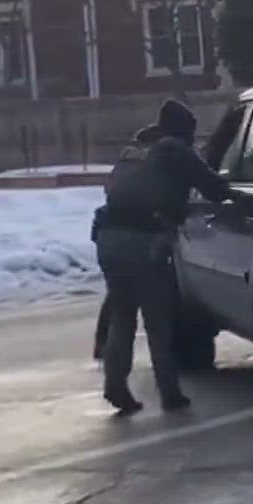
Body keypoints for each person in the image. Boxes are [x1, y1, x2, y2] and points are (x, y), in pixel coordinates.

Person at [92, 100, 229, 413]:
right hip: (145, 241)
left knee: (123, 316)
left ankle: (115, 386)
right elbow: (214, 188)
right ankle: (170, 393)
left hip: (108, 238)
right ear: (184, 130)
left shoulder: (136, 148)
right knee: (158, 319)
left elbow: (115, 188)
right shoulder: (175, 150)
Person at [91, 124, 162, 361]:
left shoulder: (122, 165)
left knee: (118, 296)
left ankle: (103, 344)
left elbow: (110, 194)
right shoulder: (146, 166)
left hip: (108, 234)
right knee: (134, 303)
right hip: (134, 235)